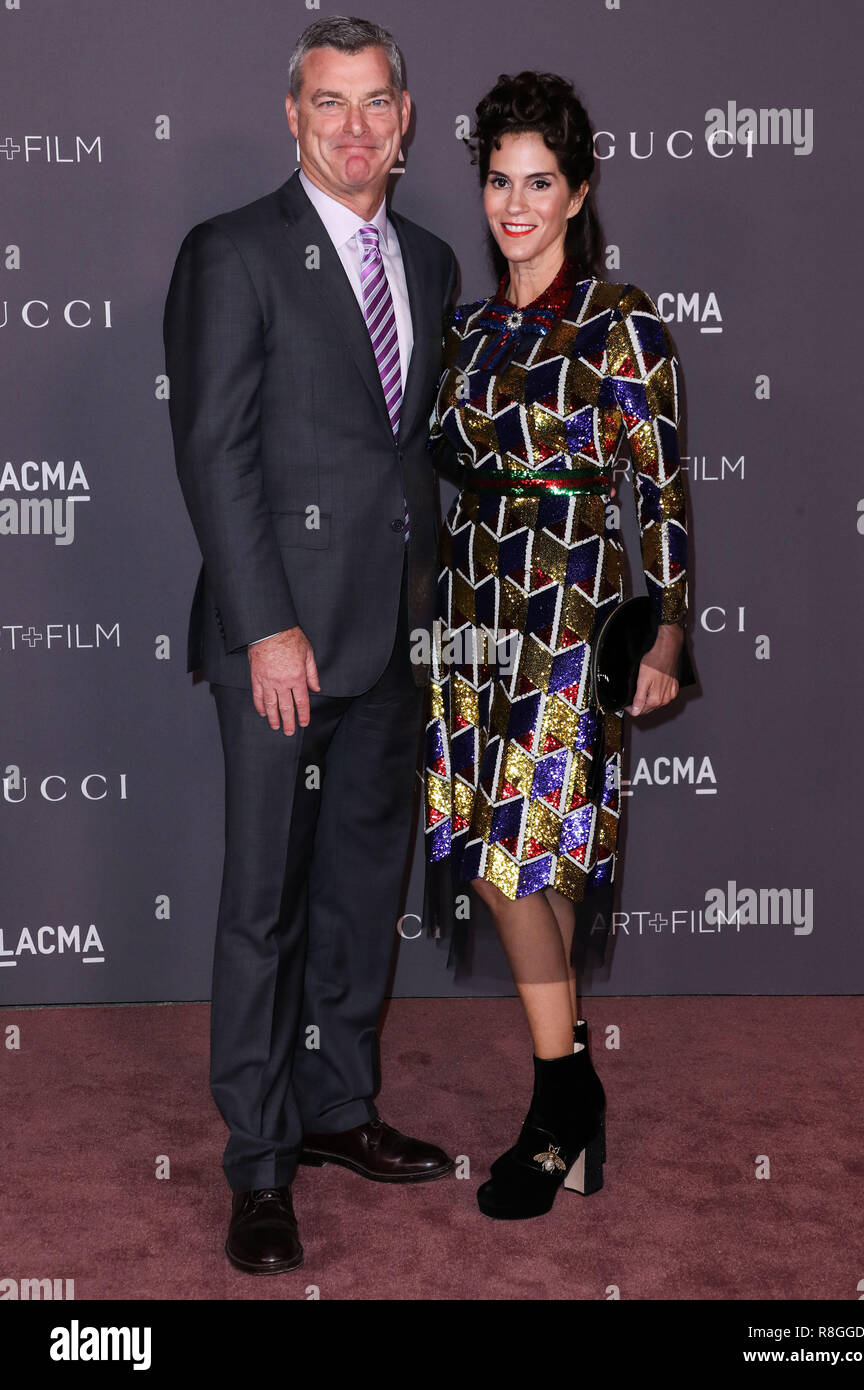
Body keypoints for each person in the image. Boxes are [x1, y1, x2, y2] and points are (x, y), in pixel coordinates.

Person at [163, 17, 458, 1274]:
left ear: (405, 115)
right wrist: (267, 624)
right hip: (279, 638)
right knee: (262, 905)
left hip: (394, 632)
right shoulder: (232, 253)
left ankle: (338, 1111)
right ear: (292, 117)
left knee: (356, 897)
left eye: (374, 101)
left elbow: (417, 453)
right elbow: (215, 455)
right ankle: (260, 1161)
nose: (353, 126)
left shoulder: (436, 261)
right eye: (327, 103)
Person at [424, 71, 690, 1219]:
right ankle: (572, 1096)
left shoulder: (623, 321)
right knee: (528, 855)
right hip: (469, 610)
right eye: (498, 179)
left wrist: (668, 628)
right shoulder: (468, 327)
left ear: (578, 193)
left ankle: (559, 1100)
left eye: (540, 181)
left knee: (519, 854)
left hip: (570, 612)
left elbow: (665, 495)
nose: (514, 202)